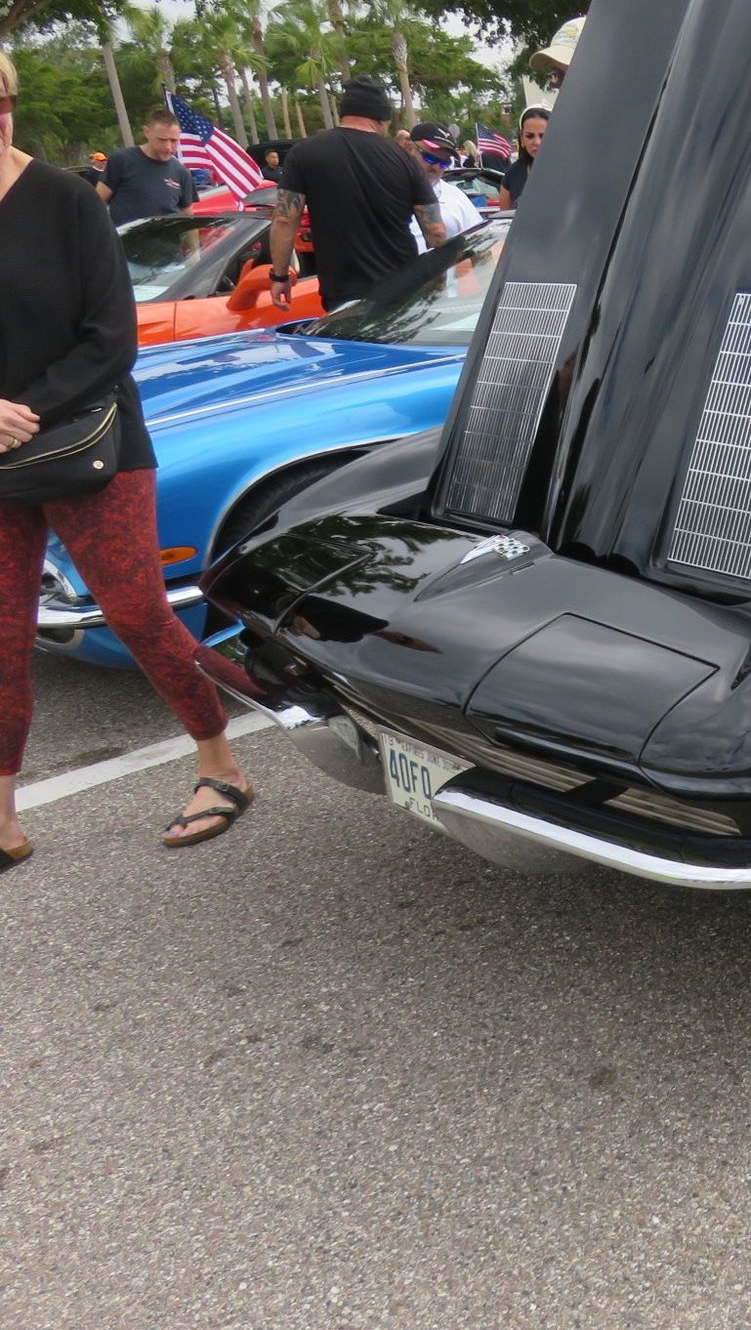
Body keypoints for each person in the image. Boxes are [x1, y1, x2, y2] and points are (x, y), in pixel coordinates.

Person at [0, 48, 256, 866]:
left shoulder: (67, 199)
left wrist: (24, 410)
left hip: (90, 442)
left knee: (139, 613)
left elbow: (112, 337)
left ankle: (222, 765)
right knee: (2, 637)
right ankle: (2, 814)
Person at [268, 77, 441, 313]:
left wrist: (279, 275)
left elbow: (284, 219)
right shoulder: (403, 158)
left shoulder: (304, 153)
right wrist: (440, 279)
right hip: (402, 290)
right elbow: (435, 230)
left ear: (345, 112)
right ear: (381, 118)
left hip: (342, 294)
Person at [97, 107, 194, 226]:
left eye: (174, 141)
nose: (168, 147)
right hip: (126, 242)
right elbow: (96, 203)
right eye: (162, 140)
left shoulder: (182, 173)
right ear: (147, 132)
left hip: (168, 242)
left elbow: (188, 218)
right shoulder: (121, 160)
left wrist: (194, 245)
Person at [406, 122, 483, 248]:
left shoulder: (455, 196)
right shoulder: (385, 190)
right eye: (430, 158)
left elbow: (479, 247)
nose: (436, 167)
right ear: (409, 149)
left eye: (444, 162)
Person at [497, 107, 548, 210]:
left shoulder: (571, 172)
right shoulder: (512, 174)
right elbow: (505, 218)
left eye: (543, 136)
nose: (537, 142)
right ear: (521, 138)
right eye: (530, 136)